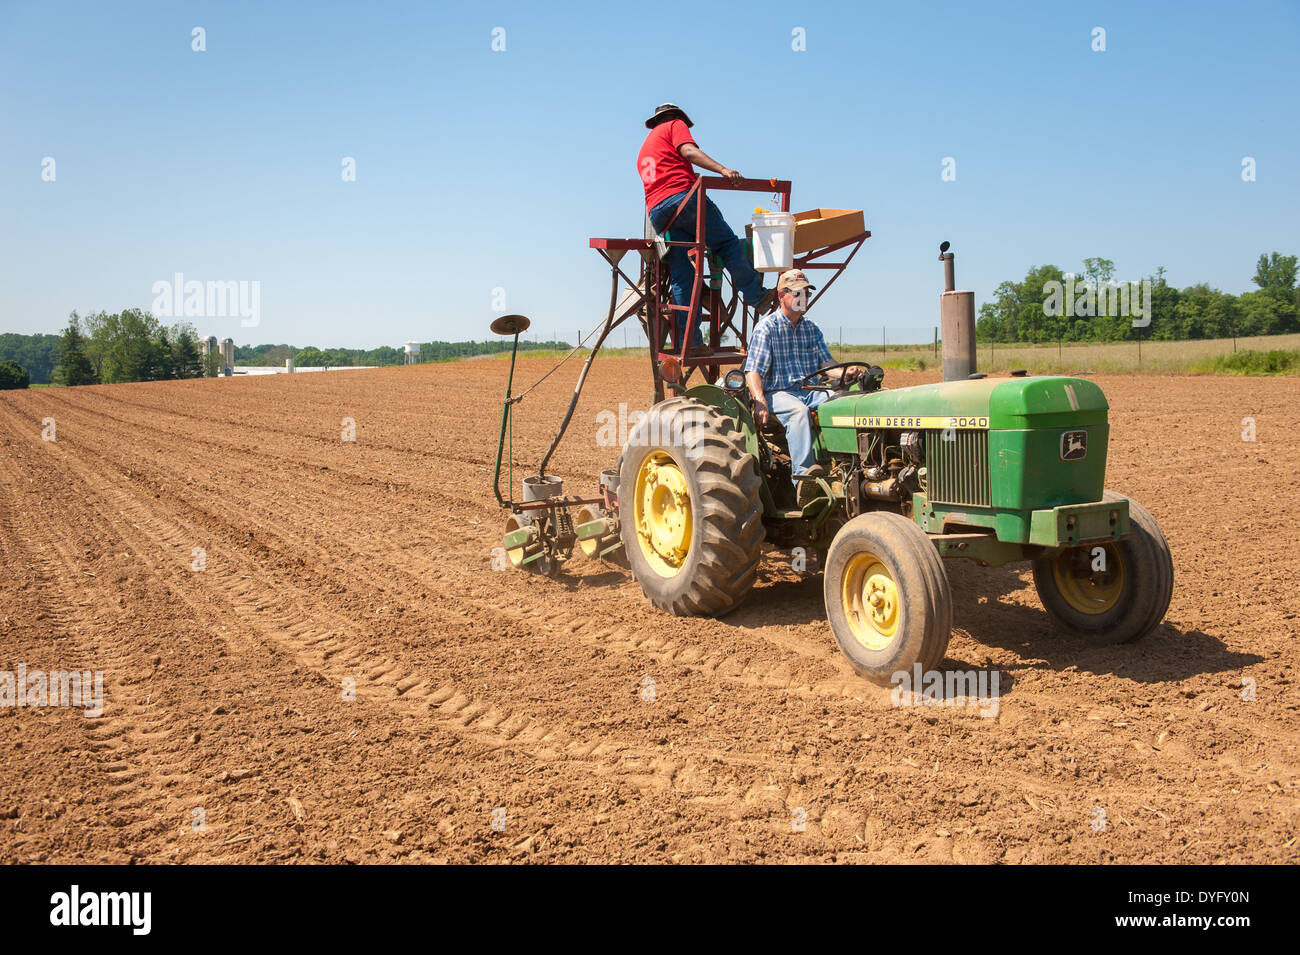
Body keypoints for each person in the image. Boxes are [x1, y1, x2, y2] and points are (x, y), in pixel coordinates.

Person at [636, 103, 773, 352]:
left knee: (682, 275)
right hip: (683, 199)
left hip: (658, 213)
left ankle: (691, 342)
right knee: (726, 243)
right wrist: (723, 170)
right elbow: (688, 151)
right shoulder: (673, 125)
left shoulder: (645, 147)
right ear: (677, 118)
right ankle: (756, 295)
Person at [744, 269, 859, 493]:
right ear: (781, 296)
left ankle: (846, 468)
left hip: (810, 389)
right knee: (799, 412)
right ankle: (803, 481)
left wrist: (845, 372)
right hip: (778, 392)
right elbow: (753, 371)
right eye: (797, 293)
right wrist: (759, 400)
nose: (803, 298)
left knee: (841, 403)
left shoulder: (811, 328)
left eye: (806, 293)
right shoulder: (767, 329)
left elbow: (827, 366)